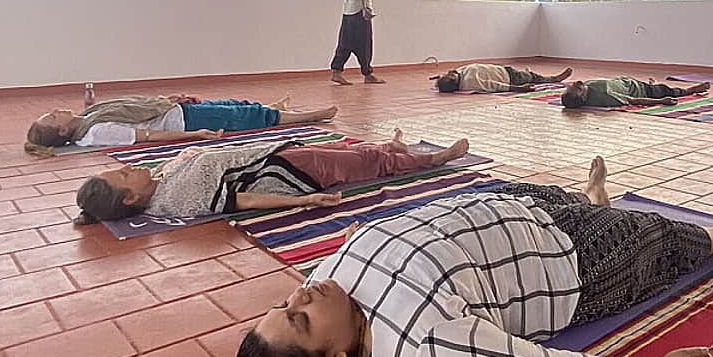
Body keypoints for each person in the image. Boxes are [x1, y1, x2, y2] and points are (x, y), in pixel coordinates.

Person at [216, 156, 713, 357]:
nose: (298, 298)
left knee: (559, 194)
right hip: (572, 262)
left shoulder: (327, 287)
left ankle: (589, 198)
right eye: (298, 320)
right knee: (656, 239)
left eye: (282, 305)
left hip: (506, 205)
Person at [73, 129, 470, 223]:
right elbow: (243, 201)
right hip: (286, 174)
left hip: (276, 153)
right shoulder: (176, 201)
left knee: (348, 150)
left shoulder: (159, 177)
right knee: (366, 163)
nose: (130, 168)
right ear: (128, 199)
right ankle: (430, 160)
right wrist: (302, 201)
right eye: (124, 176)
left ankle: (394, 148)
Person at [25, 94, 338, 155]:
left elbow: (140, 108)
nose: (56, 111)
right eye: (53, 117)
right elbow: (148, 135)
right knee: (251, 117)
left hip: (177, 109)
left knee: (236, 105)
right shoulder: (95, 131)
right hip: (184, 120)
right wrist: (193, 135)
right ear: (63, 132)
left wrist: (170, 98)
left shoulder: (91, 115)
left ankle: (274, 108)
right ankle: (309, 117)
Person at [561, 76, 711, 109]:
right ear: (581, 95)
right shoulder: (605, 96)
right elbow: (633, 100)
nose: (574, 83)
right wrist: (661, 101)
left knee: (656, 86)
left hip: (628, 81)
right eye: (573, 88)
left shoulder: (586, 86)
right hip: (643, 90)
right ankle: (690, 90)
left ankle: (652, 83)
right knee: (665, 90)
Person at [435, 63, 573, 93]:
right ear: (454, 80)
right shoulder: (470, 82)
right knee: (530, 76)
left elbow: (446, 79)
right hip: (509, 78)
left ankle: (533, 75)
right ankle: (553, 79)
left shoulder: (460, 73)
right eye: (448, 75)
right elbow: (495, 85)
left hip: (502, 70)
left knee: (527, 74)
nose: (449, 72)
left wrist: (439, 79)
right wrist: (518, 89)